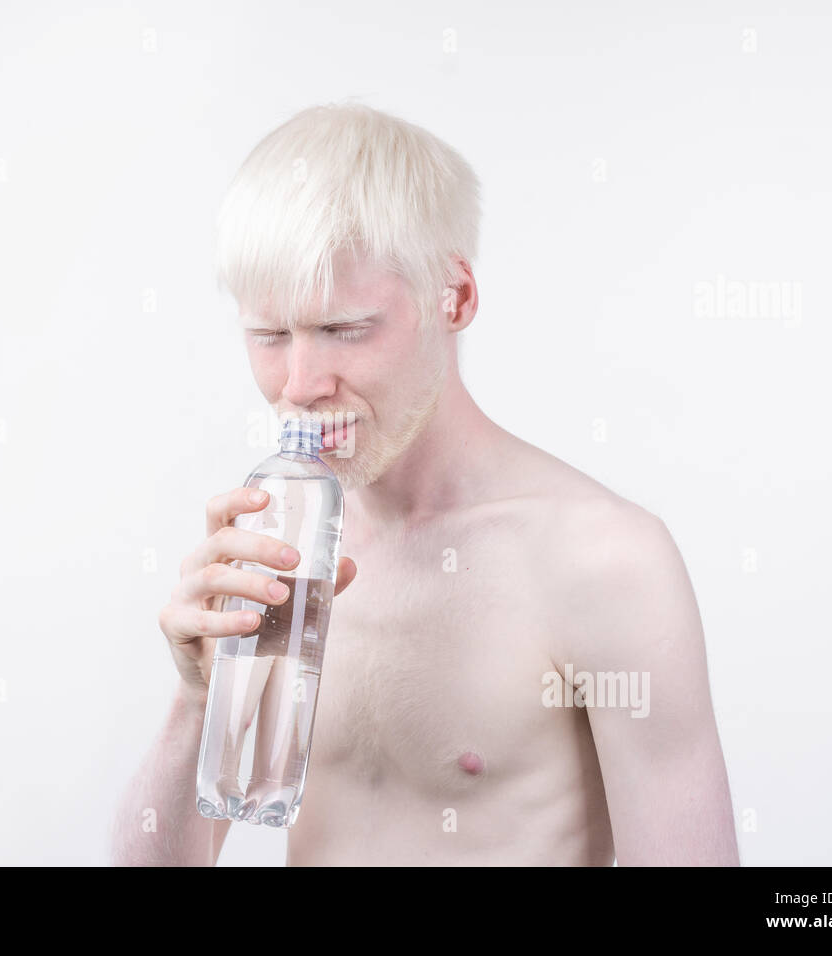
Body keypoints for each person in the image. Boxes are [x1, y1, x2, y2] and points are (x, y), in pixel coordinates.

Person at [111, 101, 739, 866]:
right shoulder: (277, 551)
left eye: (344, 329)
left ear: (456, 298)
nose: (301, 384)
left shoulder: (605, 560)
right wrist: (196, 700)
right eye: (270, 335)